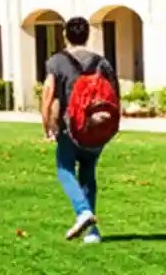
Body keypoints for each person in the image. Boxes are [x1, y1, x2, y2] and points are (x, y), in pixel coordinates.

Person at [40, 16, 117, 244]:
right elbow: (114, 95)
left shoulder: (57, 62)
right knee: (88, 175)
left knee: (64, 169)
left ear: (65, 35)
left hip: (70, 127)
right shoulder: (102, 63)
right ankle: (92, 233)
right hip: (97, 128)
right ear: (87, 35)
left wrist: (47, 125)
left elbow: (48, 94)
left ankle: (83, 211)